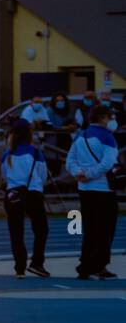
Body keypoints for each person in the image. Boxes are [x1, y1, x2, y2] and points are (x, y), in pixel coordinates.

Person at [66, 105, 119, 280]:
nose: (112, 121)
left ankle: (85, 264)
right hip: (103, 188)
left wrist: (79, 174)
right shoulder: (107, 137)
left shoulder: (81, 135)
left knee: (89, 229)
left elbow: (70, 161)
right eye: (110, 117)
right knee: (105, 229)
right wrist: (89, 175)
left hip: (85, 189)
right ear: (103, 118)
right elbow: (107, 163)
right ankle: (99, 265)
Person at [0, 120, 50, 278]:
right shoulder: (35, 153)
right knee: (41, 229)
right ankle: (37, 262)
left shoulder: (7, 155)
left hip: (13, 194)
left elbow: (4, 176)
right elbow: (43, 175)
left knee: (16, 232)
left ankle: (19, 268)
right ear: (29, 134)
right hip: (33, 193)